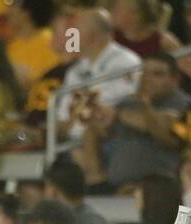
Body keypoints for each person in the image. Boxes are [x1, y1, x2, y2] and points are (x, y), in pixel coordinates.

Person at [81, 52, 191, 189]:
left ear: (175, 79)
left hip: (161, 190)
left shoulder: (187, 105)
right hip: (116, 189)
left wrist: (122, 114)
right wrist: (95, 174)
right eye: (144, 73)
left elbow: (164, 129)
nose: (147, 79)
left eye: (156, 74)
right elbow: (96, 129)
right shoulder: (128, 103)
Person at [57, 7, 142, 142]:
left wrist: (79, 108)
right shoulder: (75, 70)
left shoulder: (125, 62)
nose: (71, 35)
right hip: (71, 143)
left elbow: (111, 105)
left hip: (110, 141)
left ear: (91, 35)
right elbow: (63, 116)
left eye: (76, 29)